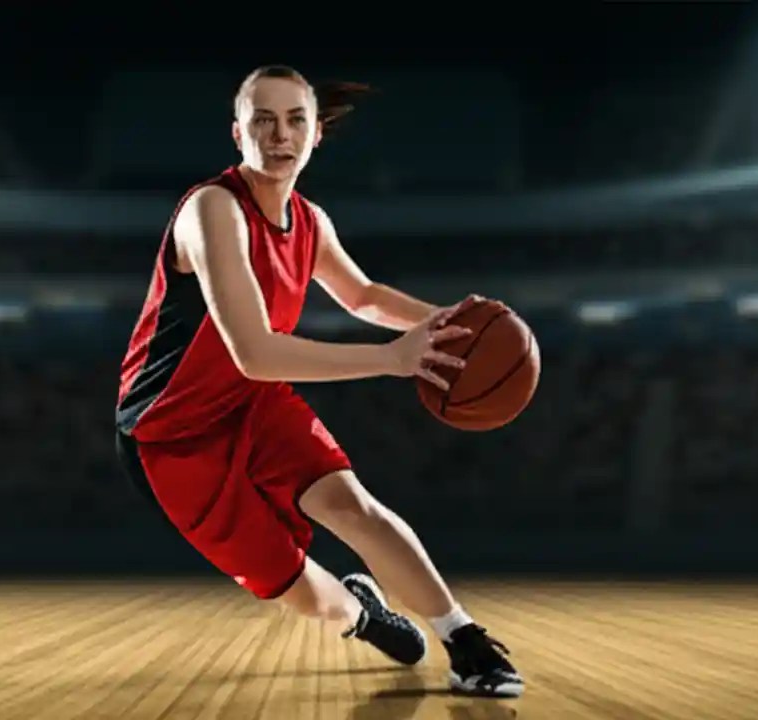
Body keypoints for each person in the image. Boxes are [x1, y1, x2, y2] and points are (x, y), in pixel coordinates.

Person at [114, 64, 522, 698]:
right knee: (309, 599)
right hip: (172, 436)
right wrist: (392, 358)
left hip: (252, 404)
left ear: (315, 134)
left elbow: (362, 294)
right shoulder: (212, 211)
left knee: (351, 505)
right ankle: (363, 611)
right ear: (237, 133)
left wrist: (452, 323)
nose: (281, 135)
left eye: (296, 120)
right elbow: (254, 352)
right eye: (264, 120)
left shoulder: (309, 220)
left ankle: (465, 641)